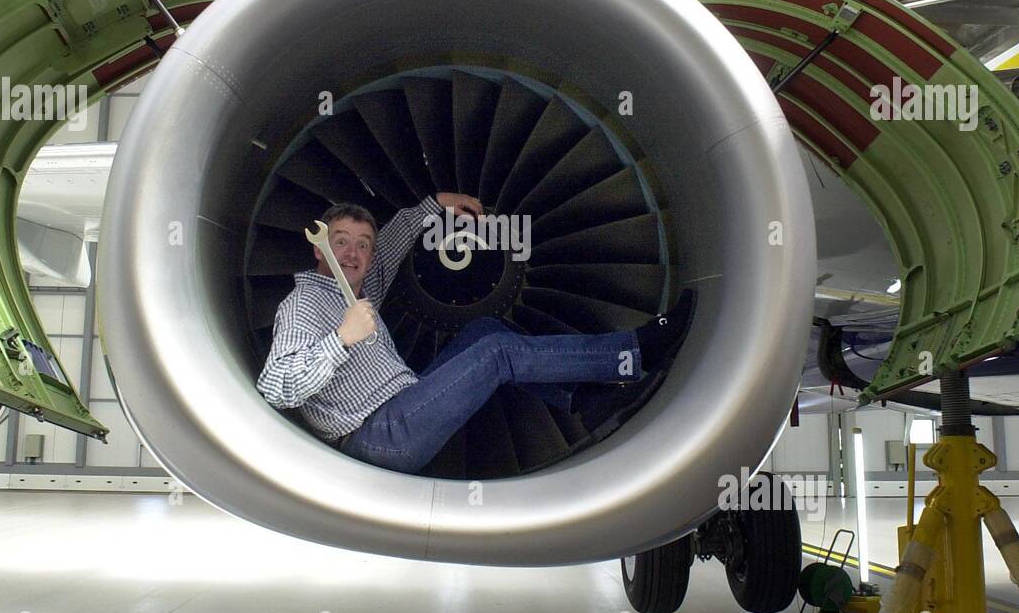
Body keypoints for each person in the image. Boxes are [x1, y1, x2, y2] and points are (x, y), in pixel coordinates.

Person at [257, 193, 693, 474]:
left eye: (362, 244)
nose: (352, 252)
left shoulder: (361, 285)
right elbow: (276, 387)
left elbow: (397, 235)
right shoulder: (304, 306)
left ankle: (586, 401)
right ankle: (634, 351)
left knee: (485, 328)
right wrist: (341, 340)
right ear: (318, 247)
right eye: (340, 241)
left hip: (406, 404)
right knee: (497, 352)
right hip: (379, 436)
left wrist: (438, 203)